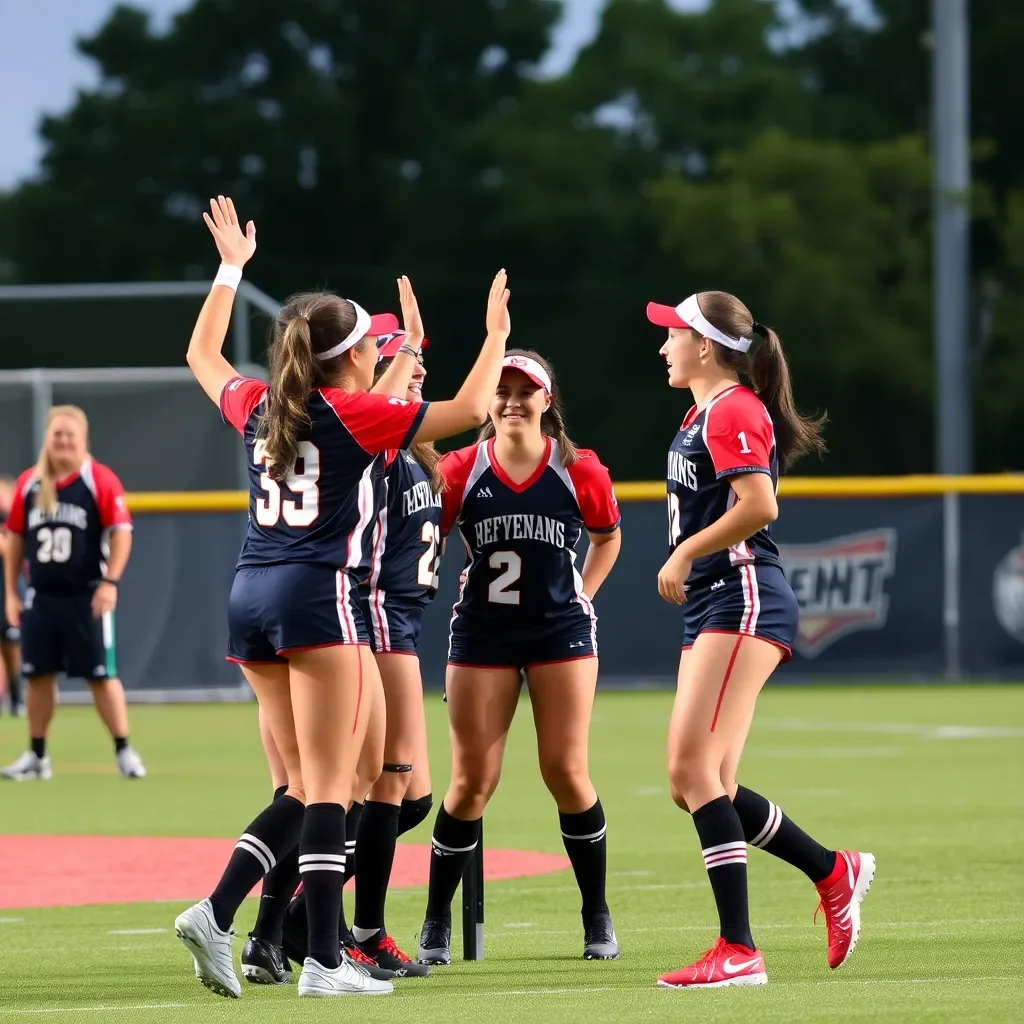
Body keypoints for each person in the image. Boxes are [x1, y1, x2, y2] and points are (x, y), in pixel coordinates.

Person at [174, 195, 510, 1000]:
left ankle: (236, 921)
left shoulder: (265, 405)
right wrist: (495, 336)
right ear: (351, 358)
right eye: (366, 346)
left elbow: (201, 357)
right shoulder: (353, 414)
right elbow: (468, 412)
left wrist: (230, 270)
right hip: (322, 599)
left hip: (250, 595)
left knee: (300, 785)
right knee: (332, 787)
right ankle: (313, 957)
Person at [645, 292, 873, 989]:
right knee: (702, 786)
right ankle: (833, 871)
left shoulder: (735, 408)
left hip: (740, 597)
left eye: (674, 335)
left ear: (707, 347)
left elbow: (760, 504)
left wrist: (684, 553)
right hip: (717, 603)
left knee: (691, 773)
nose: (664, 347)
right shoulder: (704, 411)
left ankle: (738, 950)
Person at [416, 349, 623, 966]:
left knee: (565, 770)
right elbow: (431, 536)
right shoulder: (458, 469)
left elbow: (608, 537)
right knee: (470, 782)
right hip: (482, 632)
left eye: (523, 391)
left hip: (559, 630)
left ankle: (596, 914)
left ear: (547, 401)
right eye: (501, 391)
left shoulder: (579, 470)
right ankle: (435, 921)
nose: (510, 401)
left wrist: (583, 595)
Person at [0, 408, 145, 781]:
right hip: (41, 596)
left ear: (84, 441)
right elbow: (15, 539)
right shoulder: (30, 484)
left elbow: (121, 532)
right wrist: (12, 594)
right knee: (38, 676)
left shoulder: (99, 480)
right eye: (57, 435)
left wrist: (110, 582)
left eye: (70, 436)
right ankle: (36, 756)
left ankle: (124, 750)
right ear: (47, 439)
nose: (62, 442)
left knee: (100, 675)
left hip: (86, 597)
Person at [0, 476, 25, 716]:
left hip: (6, 592)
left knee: (11, 646)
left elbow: (9, 549)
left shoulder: (12, 522)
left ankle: (17, 700)